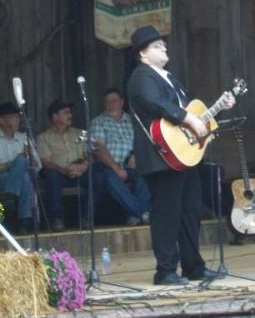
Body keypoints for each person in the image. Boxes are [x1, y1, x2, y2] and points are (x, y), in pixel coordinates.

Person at [127, 25, 235, 285]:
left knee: (191, 210)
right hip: (161, 157)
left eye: (163, 43)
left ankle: (192, 266)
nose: (163, 46)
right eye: (156, 45)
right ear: (142, 54)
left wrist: (217, 110)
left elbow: (192, 114)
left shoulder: (169, 77)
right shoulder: (142, 76)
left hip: (182, 155)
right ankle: (164, 270)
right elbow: (156, 103)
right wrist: (187, 117)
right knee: (167, 213)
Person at [38, 98, 101, 232]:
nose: (70, 115)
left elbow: (90, 154)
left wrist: (84, 165)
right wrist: (64, 170)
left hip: (80, 170)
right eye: (65, 113)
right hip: (60, 174)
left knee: (98, 176)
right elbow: (46, 163)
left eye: (69, 112)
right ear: (55, 117)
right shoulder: (44, 137)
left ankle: (86, 218)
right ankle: (58, 219)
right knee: (51, 176)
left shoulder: (80, 133)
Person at [89, 88, 151, 226]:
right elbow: (98, 149)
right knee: (109, 177)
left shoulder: (133, 121)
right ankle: (143, 213)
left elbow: (143, 141)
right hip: (108, 165)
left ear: (122, 102)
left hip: (131, 165)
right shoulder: (99, 122)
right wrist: (116, 168)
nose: (111, 105)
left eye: (114, 101)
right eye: (107, 102)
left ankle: (133, 216)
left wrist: (136, 155)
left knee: (145, 173)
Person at [0, 101, 40, 233]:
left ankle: (10, 198)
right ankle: (25, 220)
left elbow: (37, 166)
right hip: (2, 179)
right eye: (13, 117)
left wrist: (31, 155)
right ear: (2, 121)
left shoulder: (25, 138)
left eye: (18, 118)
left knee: (26, 177)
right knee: (21, 163)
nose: (17, 121)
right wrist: (14, 164)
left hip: (20, 180)